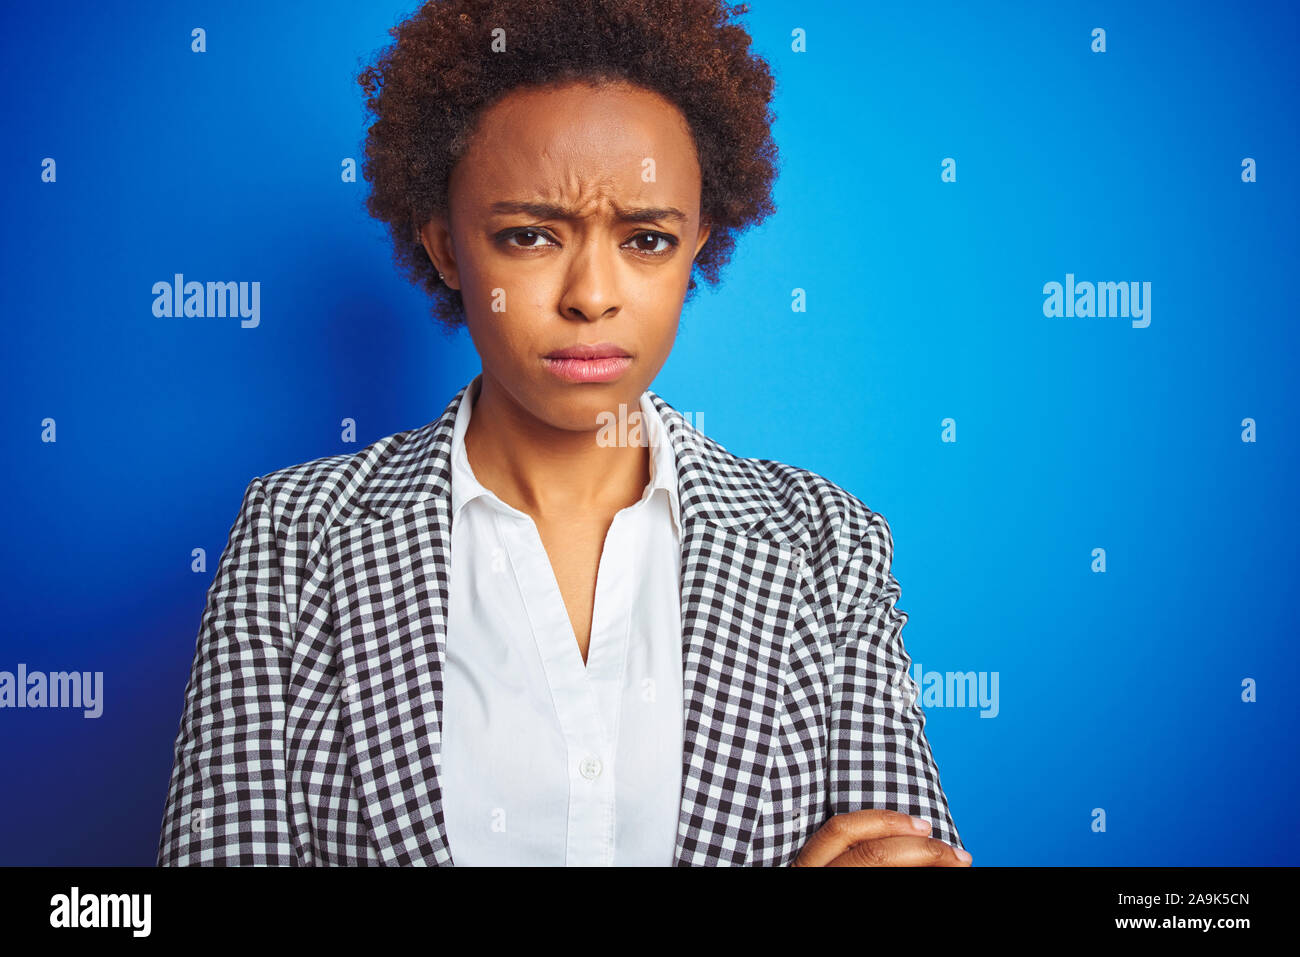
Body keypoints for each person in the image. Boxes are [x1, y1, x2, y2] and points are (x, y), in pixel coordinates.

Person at [157, 0, 970, 867]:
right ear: (443, 248)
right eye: (530, 235)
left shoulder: (825, 542)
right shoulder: (295, 534)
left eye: (647, 238)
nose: (591, 294)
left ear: (698, 244)